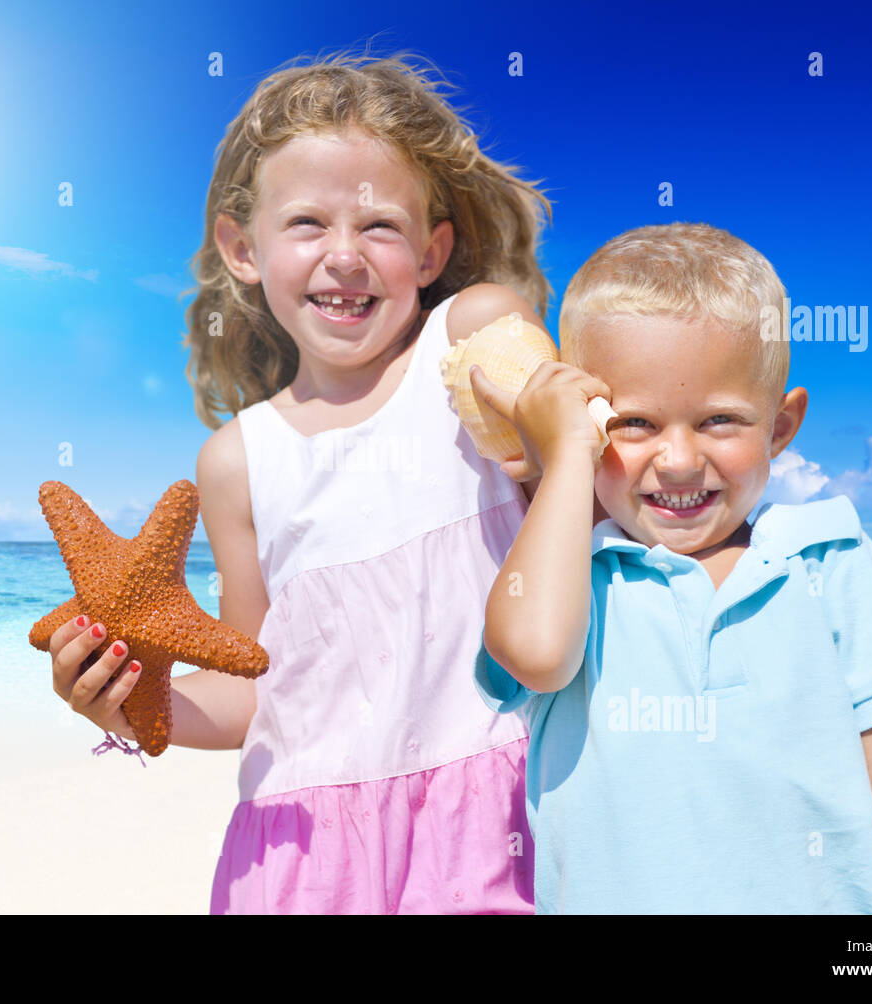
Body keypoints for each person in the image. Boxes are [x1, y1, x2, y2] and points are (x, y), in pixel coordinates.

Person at [48, 52, 553, 913]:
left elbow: (575, 467)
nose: (346, 256)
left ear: (433, 253)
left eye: (382, 227)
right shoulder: (238, 461)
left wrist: (550, 439)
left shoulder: (470, 341)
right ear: (243, 250)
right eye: (308, 223)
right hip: (301, 849)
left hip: (492, 811)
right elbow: (252, 681)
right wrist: (130, 700)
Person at [472, 222, 872, 913]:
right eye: (633, 424)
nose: (678, 460)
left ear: (781, 426)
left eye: (718, 422)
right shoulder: (574, 579)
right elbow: (536, 654)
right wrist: (562, 462)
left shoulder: (828, 559)